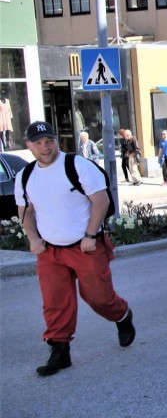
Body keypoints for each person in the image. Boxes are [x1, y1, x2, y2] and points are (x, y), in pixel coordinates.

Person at [14, 121, 135, 377]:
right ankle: (60, 351)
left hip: (85, 246)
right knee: (54, 301)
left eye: (49, 141)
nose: (45, 147)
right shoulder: (25, 176)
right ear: (29, 146)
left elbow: (101, 200)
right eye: (38, 143)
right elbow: (25, 211)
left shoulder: (77, 165)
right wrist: (33, 238)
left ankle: (122, 315)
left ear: (57, 140)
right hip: (50, 250)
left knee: (98, 298)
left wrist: (90, 234)